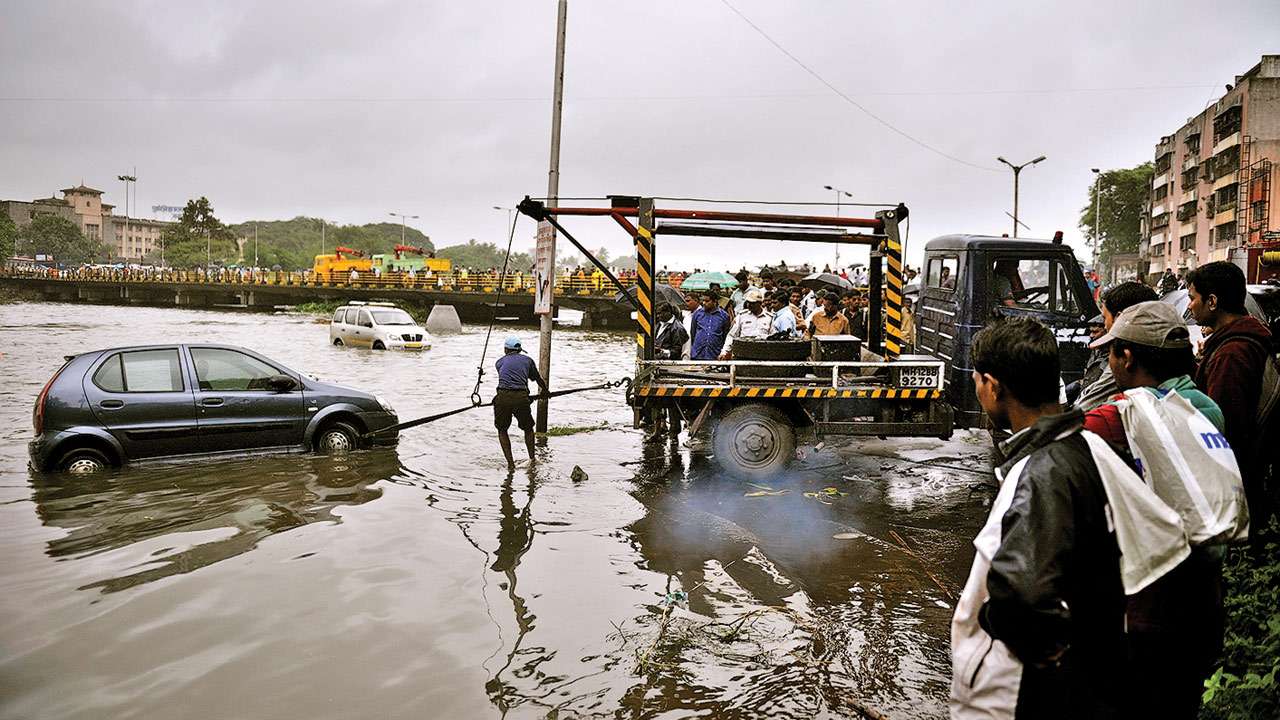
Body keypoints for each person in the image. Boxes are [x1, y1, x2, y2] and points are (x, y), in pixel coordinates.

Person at [950, 318, 1133, 719]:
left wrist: (1049, 656)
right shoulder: (1086, 447)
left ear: (993, 386)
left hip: (1013, 695)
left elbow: (1023, 595)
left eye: (979, 380)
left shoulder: (1042, 472)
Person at [1080, 301, 1234, 719]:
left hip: (1148, 601)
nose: (1109, 361)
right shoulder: (1206, 409)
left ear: (1127, 357)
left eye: (1111, 352)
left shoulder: (1118, 418)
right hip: (1203, 591)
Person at [1188, 261, 1276, 524]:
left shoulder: (1231, 354)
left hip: (1235, 488)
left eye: (1193, 298)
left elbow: (1224, 428)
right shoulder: (1240, 341)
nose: (1189, 306)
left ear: (1212, 301)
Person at [1072, 281, 1158, 411]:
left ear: (1119, 319)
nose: (1104, 326)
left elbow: (1082, 409)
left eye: (1105, 318)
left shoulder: (1123, 361)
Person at [493, 336, 548, 470]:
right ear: (519, 350)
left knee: (502, 430)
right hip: (521, 398)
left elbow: (506, 381)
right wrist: (545, 391)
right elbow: (536, 378)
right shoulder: (528, 361)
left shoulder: (499, 362)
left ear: (506, 349)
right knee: (528, 429)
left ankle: (510, 464)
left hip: (502, 397)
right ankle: (532, 459)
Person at [1064, 313, 1106, 405]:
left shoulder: (1110, 355)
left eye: (1095, 332)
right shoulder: (1096, 351)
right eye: (1091, 332)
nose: (1091, 335)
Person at [720, 288, 773, 358]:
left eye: (753, 303)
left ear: (760, 303)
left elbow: (773, 337)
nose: (749, 305)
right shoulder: (742, 316)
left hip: (763, 353)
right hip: (743, 353)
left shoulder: (769, 318)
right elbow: (732, 335)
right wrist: (724, 352)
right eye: (748, 302)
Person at [689, 290, 731, 360]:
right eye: (703, 301)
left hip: (714, 354)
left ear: (714, 302)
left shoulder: (724, 316)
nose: (704, 303)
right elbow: (693, 333)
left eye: (707, 301)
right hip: (698, 353)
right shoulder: (697, 314)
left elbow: (725, 335)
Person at [681, 294, 699, 359]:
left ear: (696, 301)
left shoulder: (702, 314)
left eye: (688, 301)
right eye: (685, 301)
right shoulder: (686, 315)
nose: (685, 303)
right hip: (686, 352)